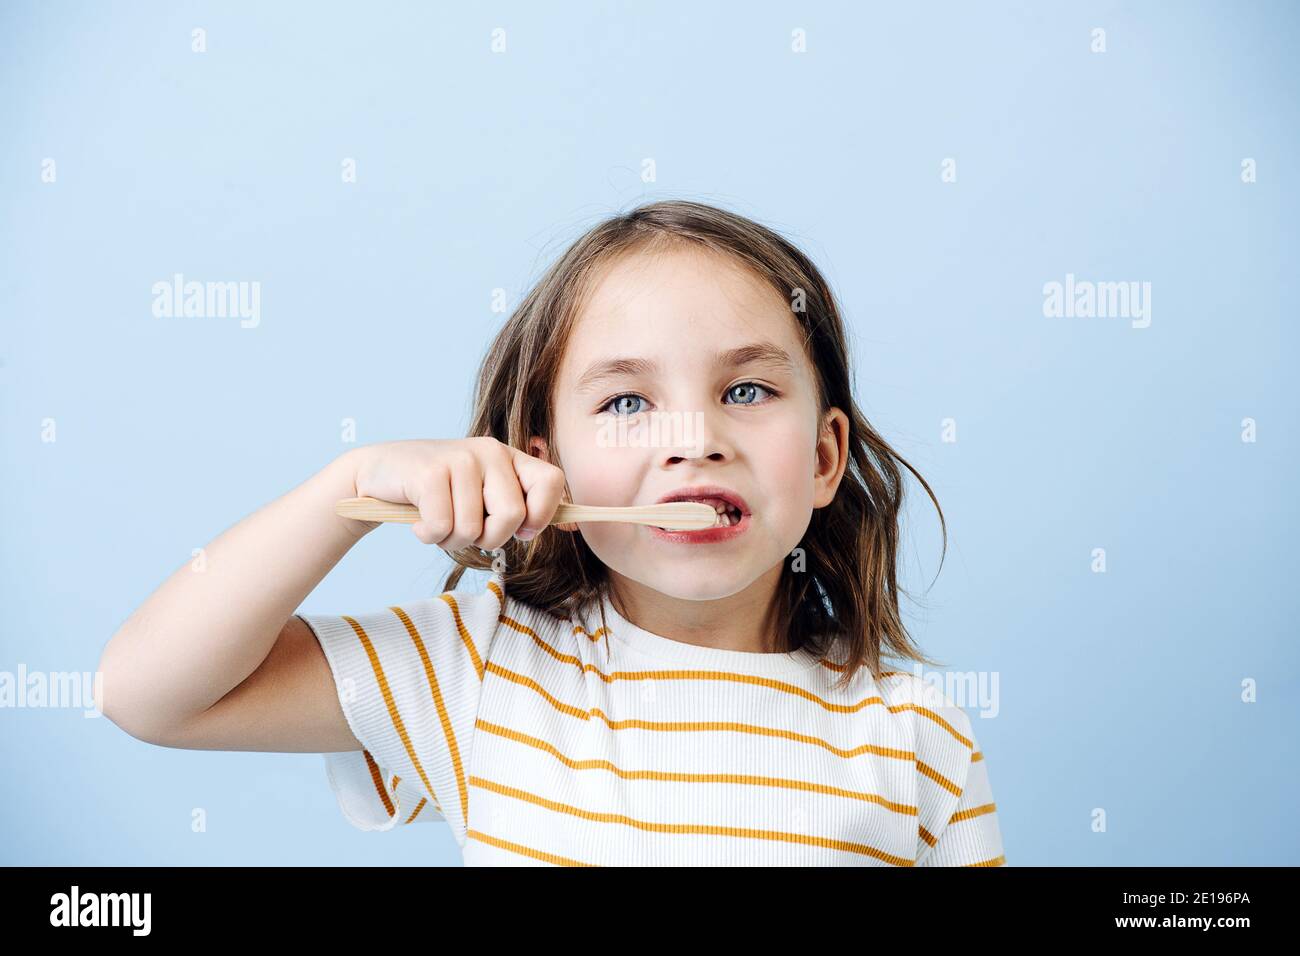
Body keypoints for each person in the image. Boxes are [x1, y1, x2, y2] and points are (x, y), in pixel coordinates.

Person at [98, 200, 1006, 866]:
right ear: (545, 464)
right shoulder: (477, 667)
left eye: (745, 391)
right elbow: (149, 695)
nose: (694, 439)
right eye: (625, 401)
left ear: (821, 457)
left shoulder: (917, 736)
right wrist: (348, 485)